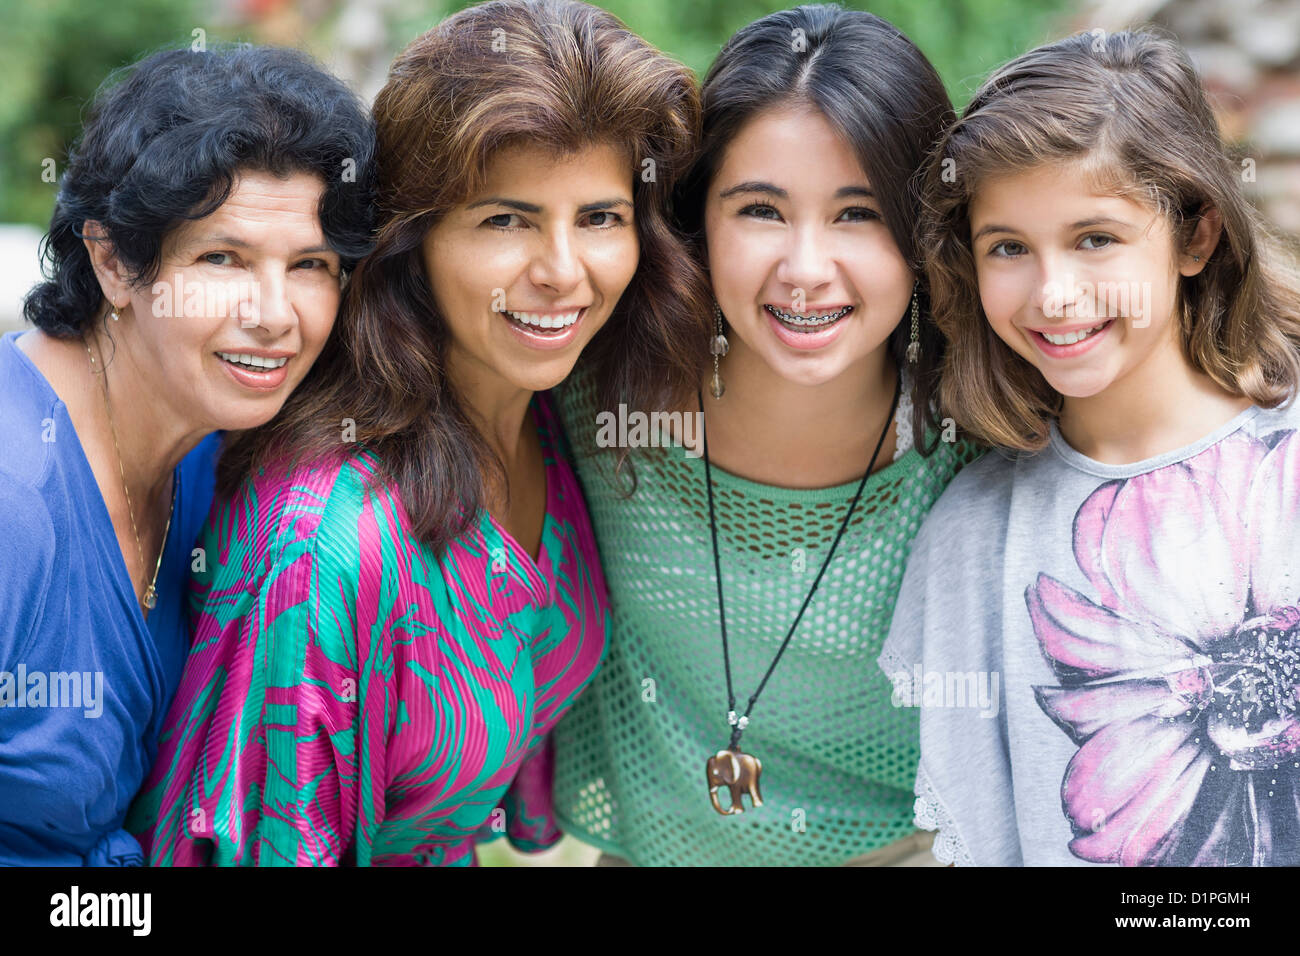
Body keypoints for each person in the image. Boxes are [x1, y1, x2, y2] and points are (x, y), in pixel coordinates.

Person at [130, 0, 709, 867]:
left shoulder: (551, 412)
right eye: (505, 220)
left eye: (599, 217)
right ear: (414, 237)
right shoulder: (328, 540)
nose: (563, 272)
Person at [550, 4, 981, 866]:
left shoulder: (983, 432)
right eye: (760, 210)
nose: (806, 269)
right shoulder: (593, 388)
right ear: (697, 220)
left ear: (924, 232)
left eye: (858, 214)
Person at [881, 29, 1300, 866]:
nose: (1055, 294)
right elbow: (980, 835)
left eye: (1095, 238)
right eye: (1008, 248)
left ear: (1195, 236)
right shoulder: (973, 536)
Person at [0, 45, 375, 865]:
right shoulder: (13, 501)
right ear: (113, 261)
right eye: (222, 258)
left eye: (310, 265)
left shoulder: (217, 454)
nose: (274, 314)